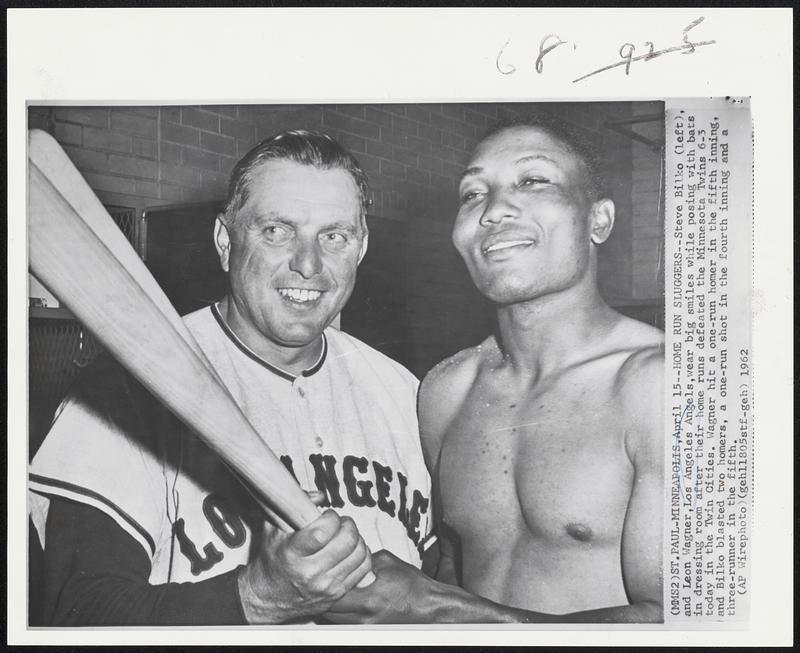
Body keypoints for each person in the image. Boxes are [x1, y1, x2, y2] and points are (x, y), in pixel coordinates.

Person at [28, 130, 433, 625]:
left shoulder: (404, 394)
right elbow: (75, 615)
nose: (308, 264)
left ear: (362, 247)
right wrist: (255, 597)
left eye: (334, 236)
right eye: (277, 231)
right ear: (225, 241)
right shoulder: (121, 392)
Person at [325, 116, 665, 623]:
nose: (494, 209)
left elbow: (690, 625)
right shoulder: (446, 390)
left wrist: (442, 611)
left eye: (532, 180)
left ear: (598, 220)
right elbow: (452, 568)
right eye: (472, 193)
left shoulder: (660, 387)